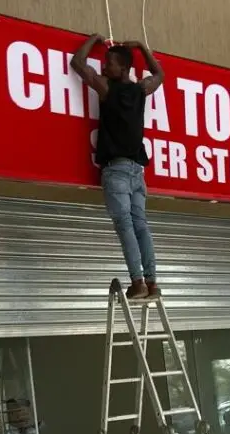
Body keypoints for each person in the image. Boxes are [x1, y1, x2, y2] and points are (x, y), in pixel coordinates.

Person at [71, 36, 164, 300]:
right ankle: (152, 283)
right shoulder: (140, 90)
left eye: (108, 63)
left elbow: (77, 62)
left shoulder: (107, 89)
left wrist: (92, 39)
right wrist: (143, 47)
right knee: (141, 225)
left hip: (117, 170)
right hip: (137, 170)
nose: (103, 67)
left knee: (125, 226)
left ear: (123, 68)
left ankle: (138, 282)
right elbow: (159, 74)